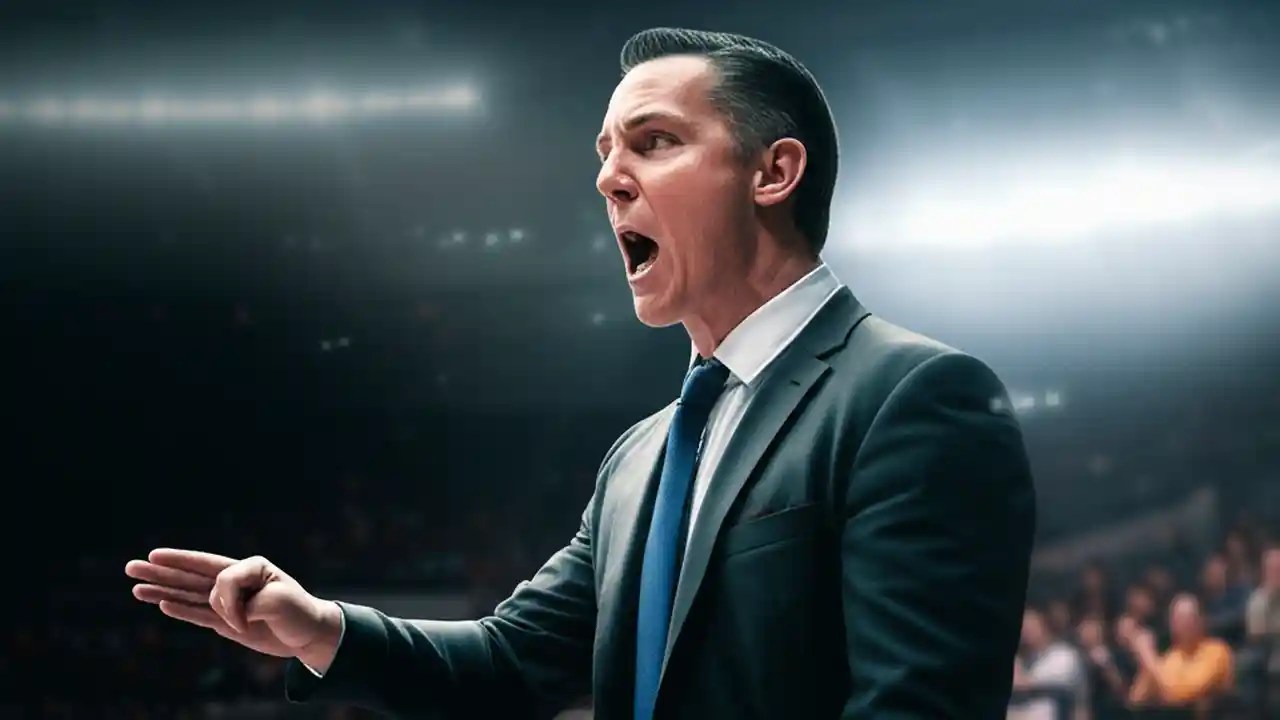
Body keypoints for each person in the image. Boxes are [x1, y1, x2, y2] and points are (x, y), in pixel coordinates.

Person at [125, 27, 1037, 719]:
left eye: (653, 141)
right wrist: (320, 627)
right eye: (605, 152)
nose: (609, 178)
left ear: (774, 171)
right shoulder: (638, 458)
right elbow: (513, 663)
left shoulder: (912, 397)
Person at [1122, 593, 1234, 712]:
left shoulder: (1217, 651)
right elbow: (1136, 699)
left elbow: (1179, 696)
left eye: (1185, 618)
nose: (1178, 624)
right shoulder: (1171, 656)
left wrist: (1148, 656)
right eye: (1175, 619)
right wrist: (1143, 660)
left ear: (1201, 621)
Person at [1009, 607, 1088, 720]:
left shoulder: (1064, 655)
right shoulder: (1019, 658)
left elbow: (1032, 682)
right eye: (1023, 627)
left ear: (1044, 626)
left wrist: (1024, 680)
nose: (1026, 632)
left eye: (1031, 627)